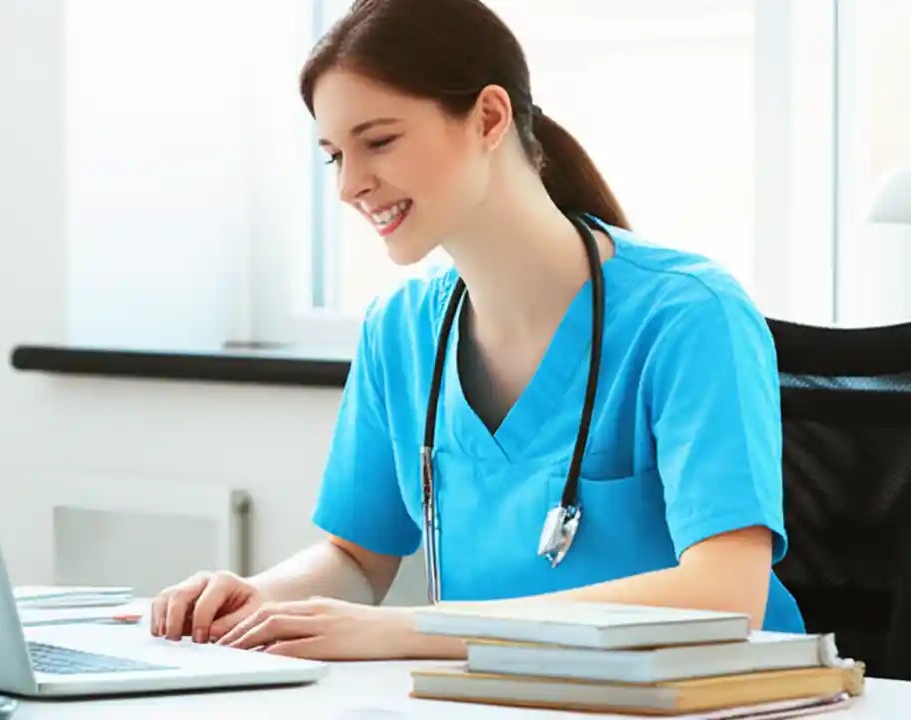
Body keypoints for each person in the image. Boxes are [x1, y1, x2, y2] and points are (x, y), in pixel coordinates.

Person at [150, 0, 806, 660]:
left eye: (379, 141)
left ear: (489, 118)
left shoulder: (689, 315)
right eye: (334, 156)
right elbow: (357, 558)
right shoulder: (399, 331)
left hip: (711, 692)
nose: (349, 186)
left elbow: (727, 594)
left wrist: (414, 630)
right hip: (495, 695)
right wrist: (254, 598)